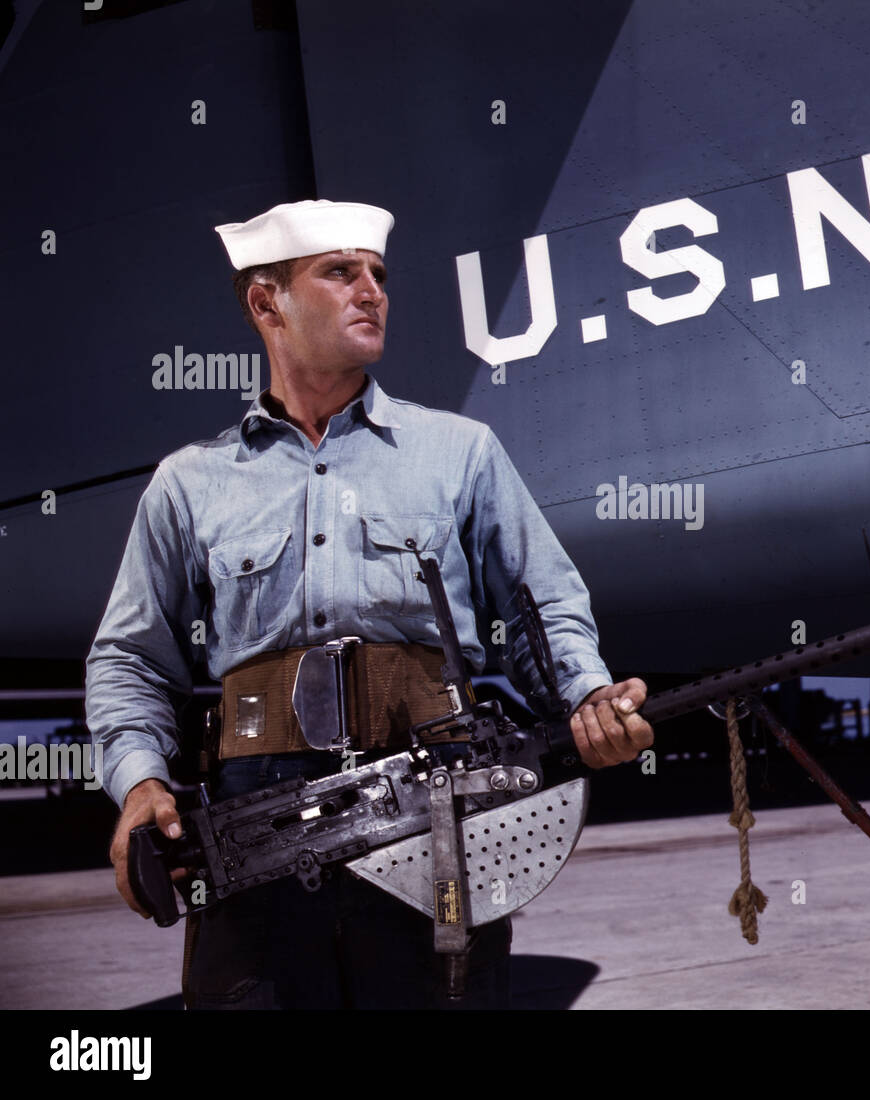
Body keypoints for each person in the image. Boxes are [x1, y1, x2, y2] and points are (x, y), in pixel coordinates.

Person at [85, 199, 654, 1008]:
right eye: (340, 272)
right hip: (258, 834)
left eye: (378, 275)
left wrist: (587, 697)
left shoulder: (458, 453)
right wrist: (140, 781)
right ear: (266, 302)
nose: (371, 291)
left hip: (437, 816)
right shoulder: (190, 482)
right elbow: (132, 659)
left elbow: (544, 605)